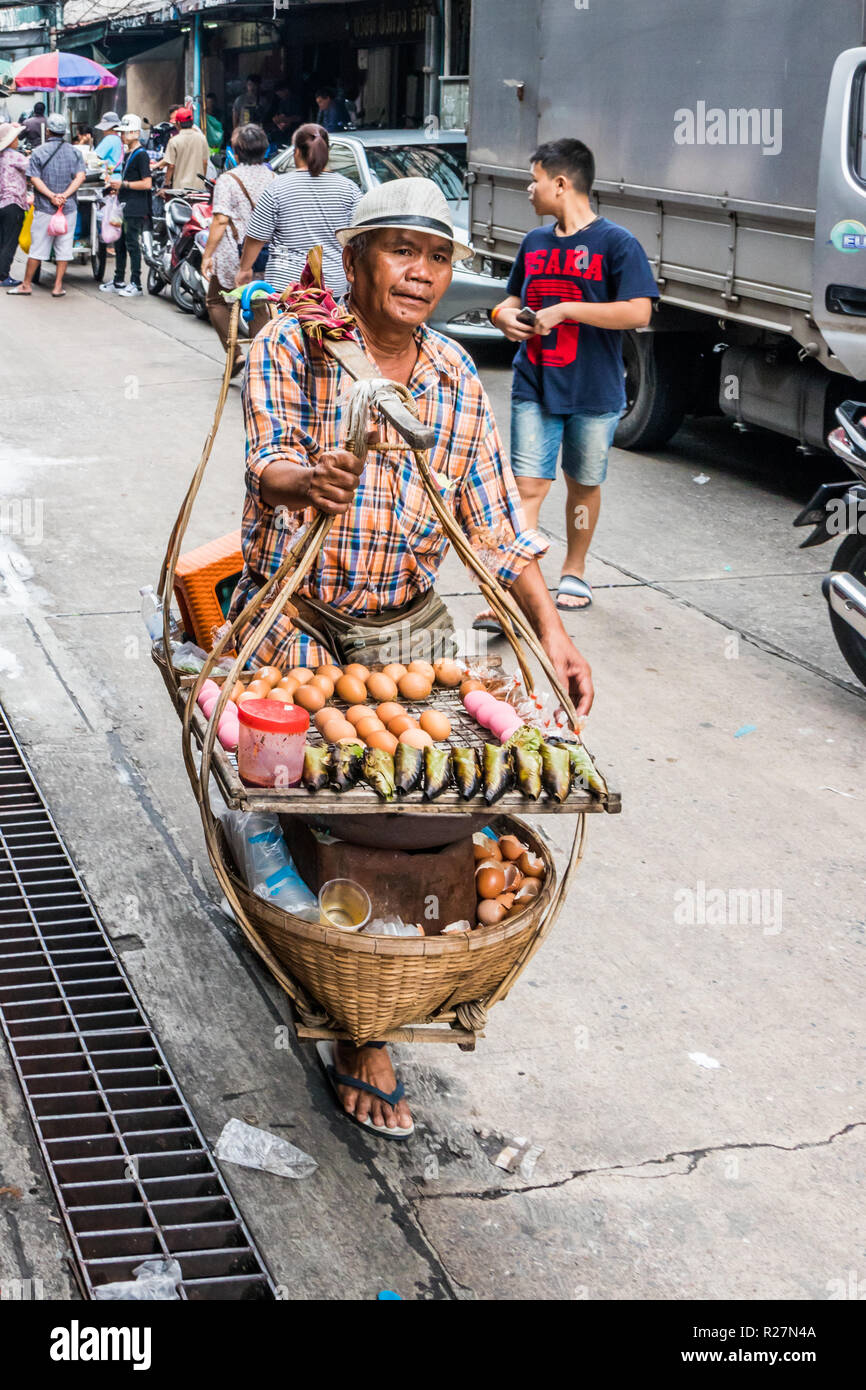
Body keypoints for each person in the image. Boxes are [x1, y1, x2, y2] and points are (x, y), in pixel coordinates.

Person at [228, 179, 594, 1135]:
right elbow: (265, 463)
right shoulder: (292, 348)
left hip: (408, 616)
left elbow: (497, 529)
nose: (421, 273)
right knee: (323, 792)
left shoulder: (452, 379)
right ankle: (357, 1017)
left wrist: (552, 630)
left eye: (436, 258)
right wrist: (307, 479)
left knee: (429, 795)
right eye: (400, 251)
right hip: (296, 608)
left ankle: (381, 969)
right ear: (356, 263)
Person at [487, 139, 658, 618]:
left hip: (594, 390)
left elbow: (638, 311)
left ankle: (575, 570)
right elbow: (512, 299)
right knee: (526, 489)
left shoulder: (617, 243)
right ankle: (516, 590)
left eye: (535, 179)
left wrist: (564, 310)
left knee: (582, 484)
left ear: (560, 184)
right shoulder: (534, 242)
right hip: (535, 383)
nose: (529, 188)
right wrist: (503, 317)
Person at [236, 123, 360, 296]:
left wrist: (245, 269)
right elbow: (357, 240)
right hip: (332, 287)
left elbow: (256, 236)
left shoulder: (278, 187)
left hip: (287, 286)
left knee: (279, 324)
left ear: (296, 152)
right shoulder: (350, 189)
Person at [201, 123, 274, 373]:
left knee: (215, 301)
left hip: (236, 254)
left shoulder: (228, 180)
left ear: (237, 151)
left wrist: (207, 255)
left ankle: (235, 354)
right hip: (266, 255)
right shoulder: (274, 177)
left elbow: (220, 220)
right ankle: (260, 363)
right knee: (258, 303)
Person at [7, 113, 85, 298]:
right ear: (64, 132)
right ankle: (57, 287)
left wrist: (51, 196)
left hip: (44, 208)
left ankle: (26, 285)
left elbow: (34, 178)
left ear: (48, 131)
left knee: (38, 248)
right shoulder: (75, 152)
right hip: (68, 208)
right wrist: (64, 196)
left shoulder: (39, 152)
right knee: (64, 249)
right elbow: (80, 176)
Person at [99, 113, 152, 298]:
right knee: (120, 243)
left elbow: (147, 183)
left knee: (132, 244)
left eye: (125, 133)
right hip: (124, 204)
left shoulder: (141, 155)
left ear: (136, 133)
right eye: (121, 133)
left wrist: (124, 185)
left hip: (135, 206)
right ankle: (118, 279)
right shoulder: (129, 153)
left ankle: (136, 283)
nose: (122, 136)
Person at [0, 122, 28, 287]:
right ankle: (3, 276)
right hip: (13, 203)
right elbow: (33, 168)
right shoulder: (14, 156)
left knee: (1, 241)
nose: (17, 140)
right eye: (15, 138)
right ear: (10, 141)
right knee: (10, 242)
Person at [162, 106, 208, 192]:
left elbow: (171, 166)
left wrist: (166, 184)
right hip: (199, 187)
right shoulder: (202, 138)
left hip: (180, 188)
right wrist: (202, 180)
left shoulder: (174, 141)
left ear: (178, 123)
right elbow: (205, 163)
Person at [205, 92, 224, 157]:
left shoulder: (219, 113)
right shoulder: (203, 114)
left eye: (211, 102)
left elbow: (220, 127)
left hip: (217, 141)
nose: (210, 104)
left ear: (215, 102)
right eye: (208, 103)